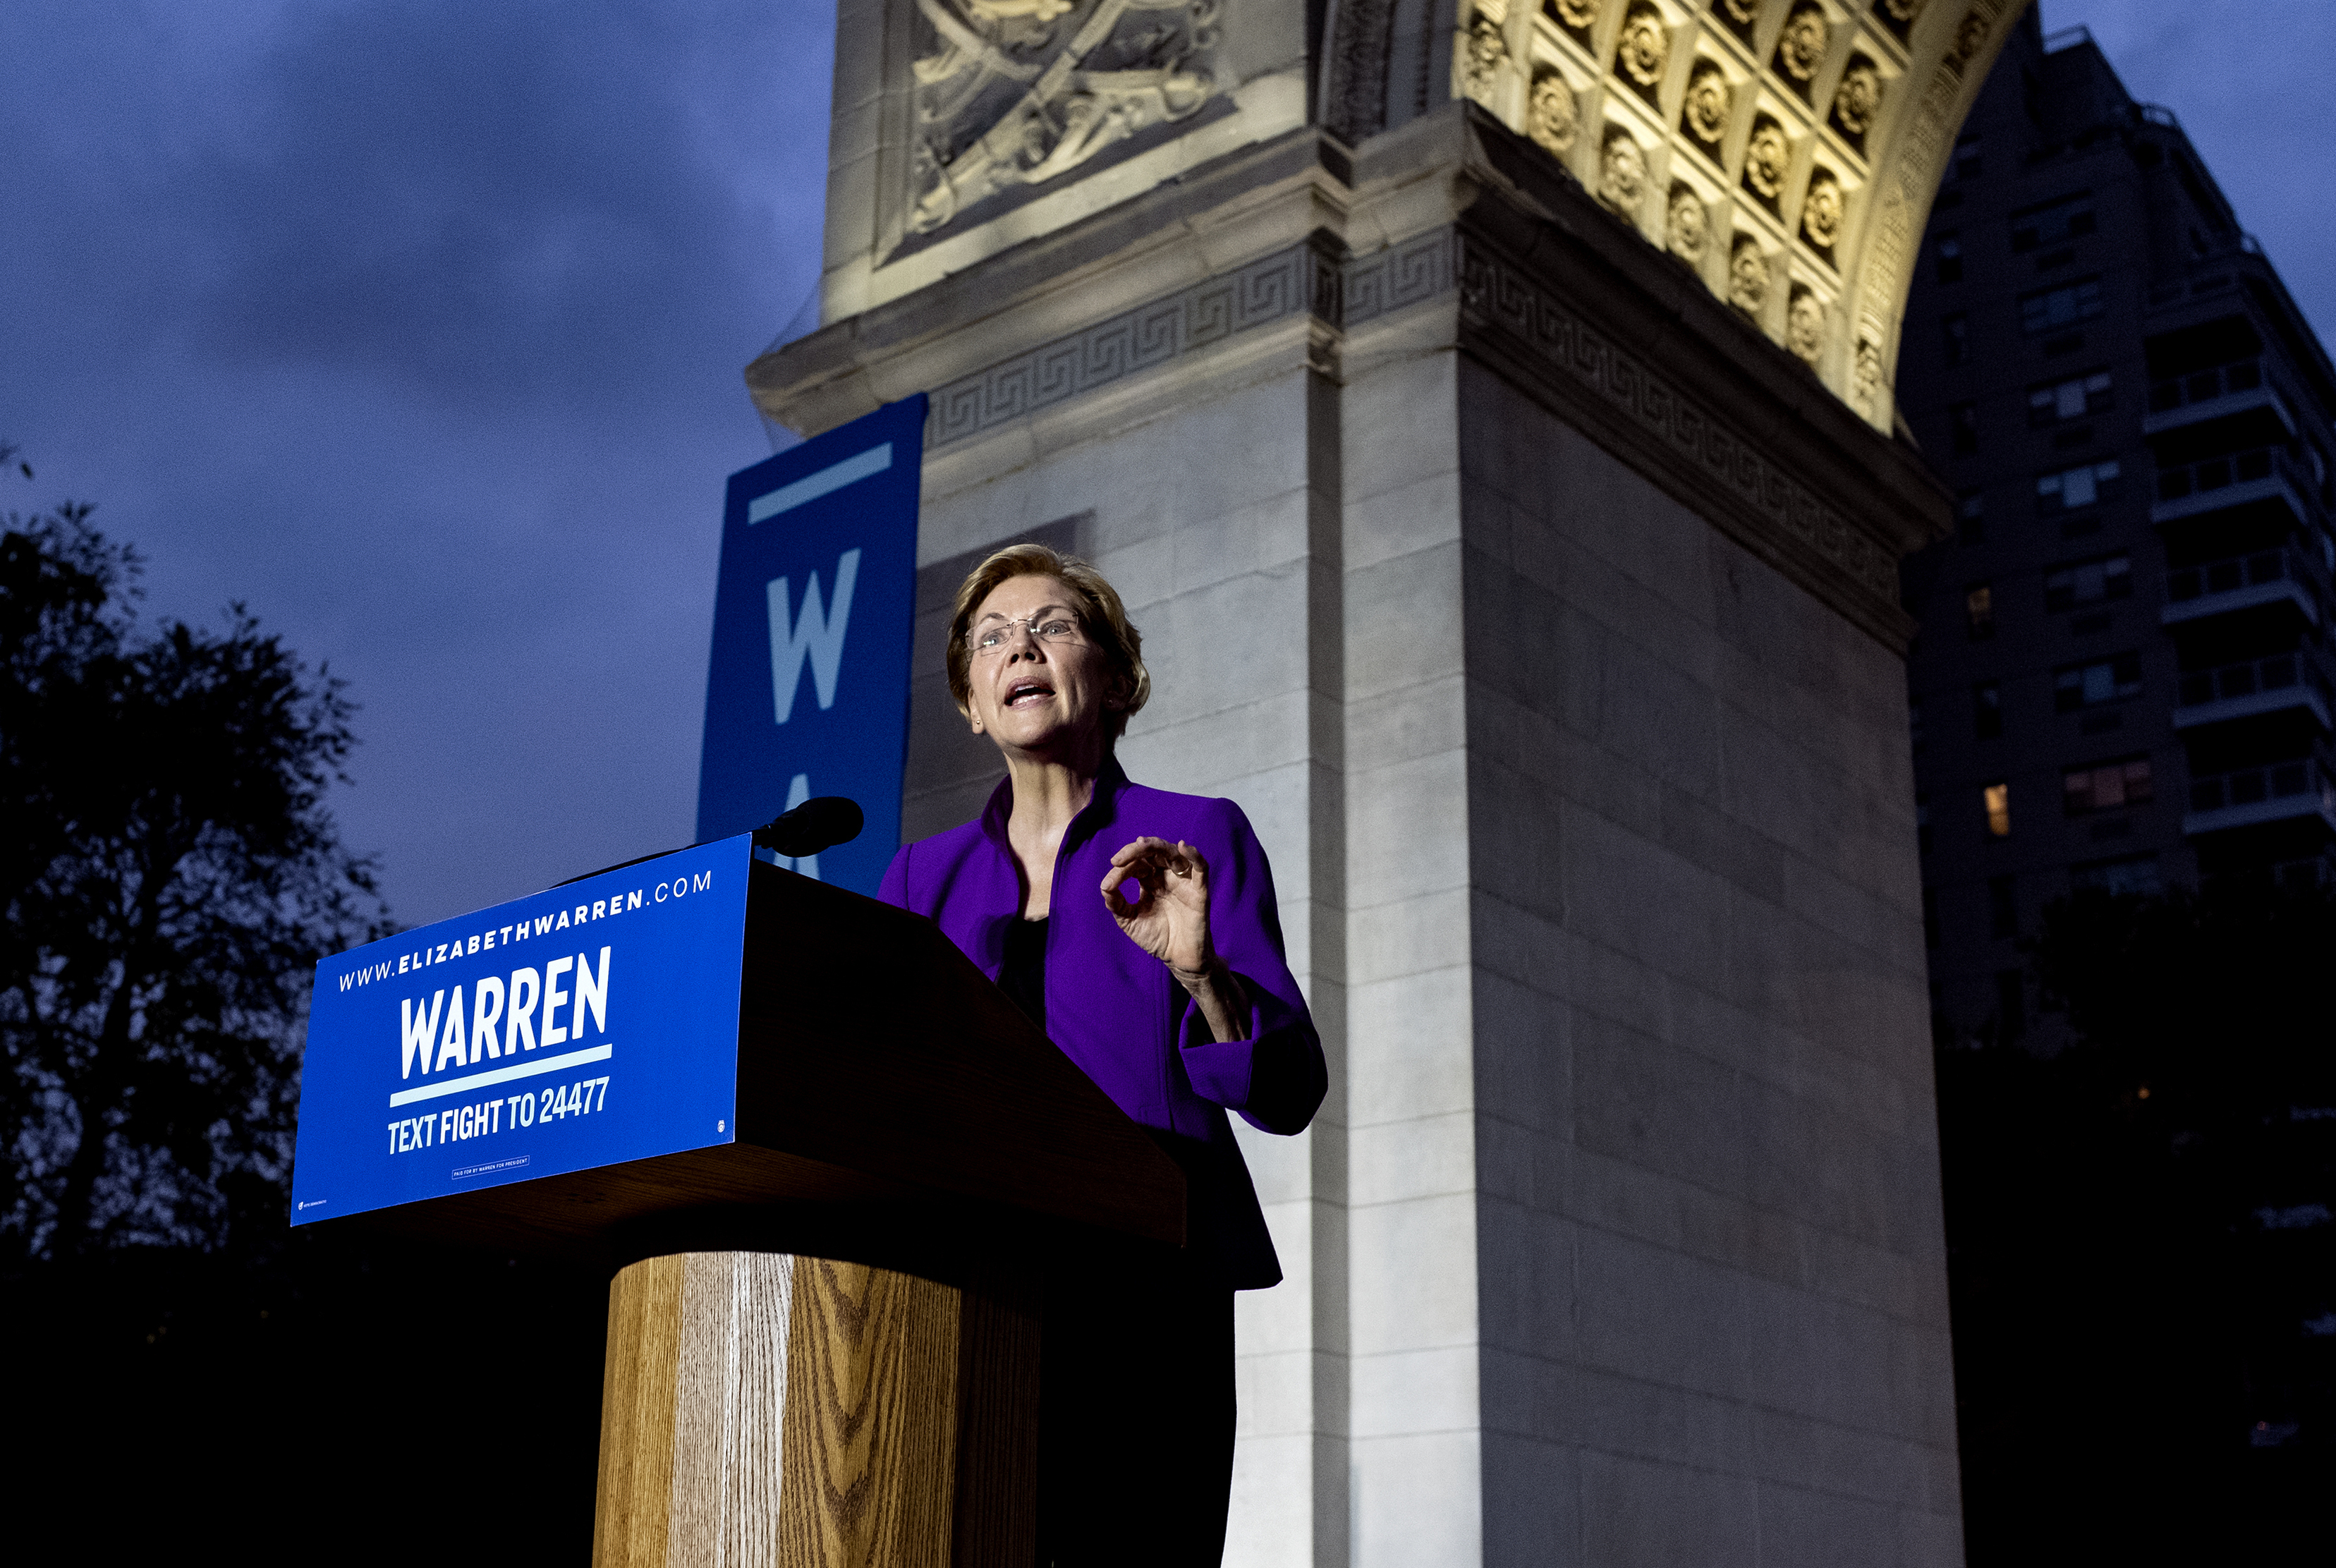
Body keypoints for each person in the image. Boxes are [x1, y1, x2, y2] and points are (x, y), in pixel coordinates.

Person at [878, 542, 1326, 1566]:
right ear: (971, 704)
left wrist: (1203, 975)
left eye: (1051, 626)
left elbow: (1290, 1090)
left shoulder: (1195, 837)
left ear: (1117, 680)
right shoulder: (920, 877)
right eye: (991, 639)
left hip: (1146, 1292)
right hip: (970, 1291)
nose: (1018, 647)